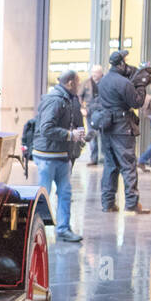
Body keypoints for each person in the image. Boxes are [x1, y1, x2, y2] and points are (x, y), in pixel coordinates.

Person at [31, 69, 86, 242]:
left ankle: (63, 229)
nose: (79, 86)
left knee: (65, 193)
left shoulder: (69, 99)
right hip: (47, 155)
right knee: (44, 195)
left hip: (62, 155)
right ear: (70, 83)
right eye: (78, 82)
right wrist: (70, 135)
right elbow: (46, 128)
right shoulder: (55, 100)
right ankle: (35, 230)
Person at [94, 50, 151, 214]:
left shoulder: (103, 81)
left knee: (110, 166)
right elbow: (137, 102)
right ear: (120, 64)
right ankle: (132, 204)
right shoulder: (123, 83)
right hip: (122, 129)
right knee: (128, 165)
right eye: (125, 62)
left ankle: (108, 203)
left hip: (107, 127)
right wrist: (140, 84)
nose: (127, 65)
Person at [79, 64, 103, 165]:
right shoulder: (86, 83)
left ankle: (106, 158)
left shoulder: (106, 82)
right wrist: (82, 108)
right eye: (93, 72)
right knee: (92, 134)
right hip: (90, 112)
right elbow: (79, 96)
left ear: (101, 73)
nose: (94, 75)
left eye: (96, 73)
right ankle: (94, 158)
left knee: (104, 135)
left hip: (103, 112)